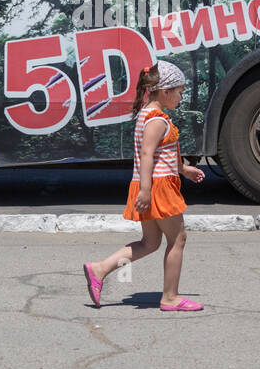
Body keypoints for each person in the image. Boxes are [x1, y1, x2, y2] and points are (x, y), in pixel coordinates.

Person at [82, 61, 206, 311]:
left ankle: (100, 269)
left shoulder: (146, 115)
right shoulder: (157, 120)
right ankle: (170, 297)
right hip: (157, 188)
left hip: (150, 184)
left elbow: (161, 153)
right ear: (165, 91)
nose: (181, 97)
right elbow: (147, 154)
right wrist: (147, 191)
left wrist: (183, 169)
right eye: (180, 92)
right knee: (178, 238)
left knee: (150, 243)